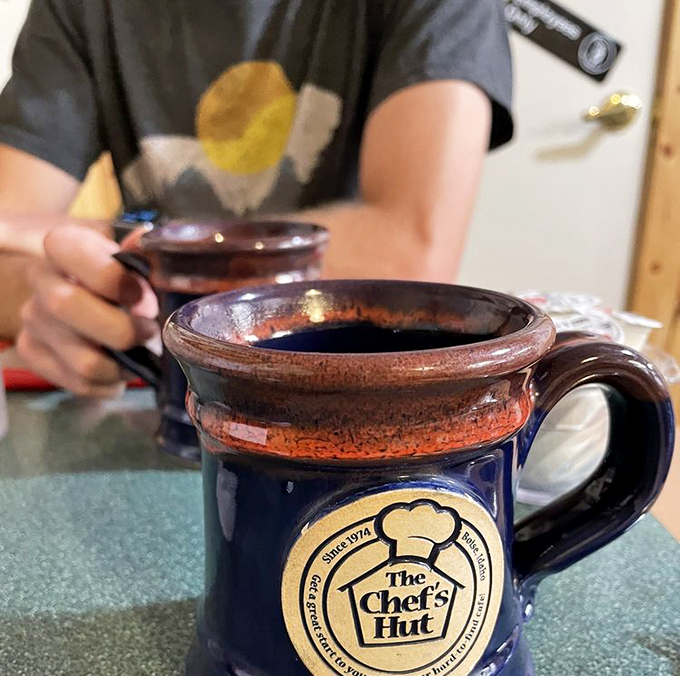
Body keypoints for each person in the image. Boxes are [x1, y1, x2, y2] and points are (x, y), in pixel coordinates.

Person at [0, 0, 513, 398]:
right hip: (160, 400)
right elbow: (7, 239)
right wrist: (48, 295)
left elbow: (412, 255)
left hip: (349, 403)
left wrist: (122, 243)